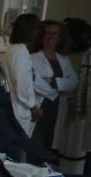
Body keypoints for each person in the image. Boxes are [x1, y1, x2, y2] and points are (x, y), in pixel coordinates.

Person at [29, 20, 79, 151]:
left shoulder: (64, 60)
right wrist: (56, 90)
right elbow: (33, 83)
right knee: (35, 144)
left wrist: (53, 81)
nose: (49, 37)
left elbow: (74, 82)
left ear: (60, 38)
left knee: (51, 146)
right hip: (40, 106)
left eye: (54, 34)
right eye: (46, 33)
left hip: (58, 108)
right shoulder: (32, 58)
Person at [4, 13, 42, 137]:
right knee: (13, 151)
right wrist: (33, 106)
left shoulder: (15, 50)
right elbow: (21, 83)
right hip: (18, 110)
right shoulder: (19, 52)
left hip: (14, 109)